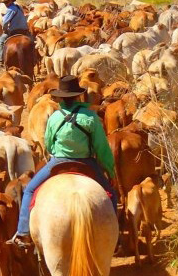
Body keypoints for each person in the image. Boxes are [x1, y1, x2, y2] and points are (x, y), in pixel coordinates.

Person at [7, 75, 118, 249]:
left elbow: (49, 145)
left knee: (29, 190)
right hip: (87, 163)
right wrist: (110, 171)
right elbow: (102, 148)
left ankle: (23, 233)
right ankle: (114, 235)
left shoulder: (54, 118)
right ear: (77, 96)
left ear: (61, 98)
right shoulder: (90, 117)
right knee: (111, 194)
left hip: (58, 162)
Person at [0, 0, 29, 66]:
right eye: (4, 3)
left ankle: (0, 60)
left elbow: (4, 22)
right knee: (31, 41)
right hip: (25, 30)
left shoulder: (10, 9)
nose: (6, 4)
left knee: (1, 40)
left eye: (7, 2)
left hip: (14, 31)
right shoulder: (18, 7)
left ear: (11, 1)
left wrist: (5, 30)